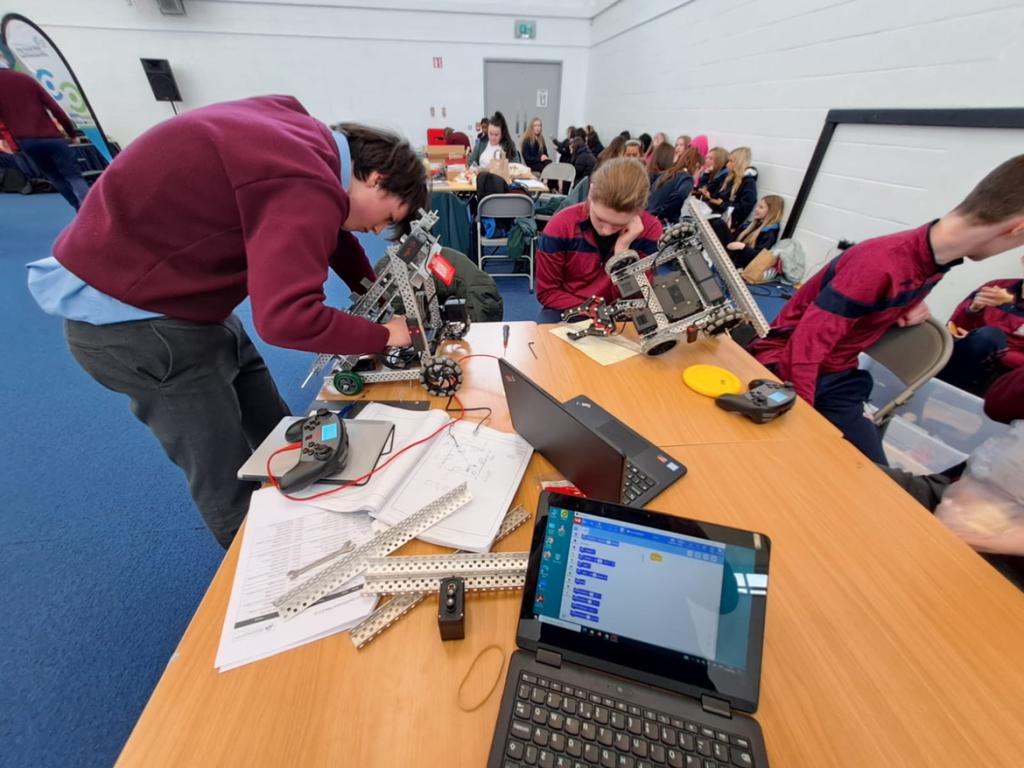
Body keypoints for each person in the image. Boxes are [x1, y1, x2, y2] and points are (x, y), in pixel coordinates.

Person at [25, 95, 428, 548]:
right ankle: (272, 590)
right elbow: (287, 320)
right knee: (228, 481)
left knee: (285, 439)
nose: (374, 232)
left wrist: (369, 291)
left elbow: (332, 230)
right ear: (377, 178)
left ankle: (305, 530)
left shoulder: (300, 131)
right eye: (386, 219)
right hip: (137, 327)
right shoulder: (305, 181)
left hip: (186, 304)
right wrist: (382, 335)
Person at [748, 155, 1024, 464]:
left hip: (836, 376)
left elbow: (883, 288)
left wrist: (908, 304)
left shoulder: (934, 259)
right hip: (789, 367)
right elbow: (802, 353)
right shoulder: (881, 263)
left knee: (873, 478)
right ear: (1016, 229)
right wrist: (801, 425)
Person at [535, 157, 663, 321]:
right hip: (570, 307)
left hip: (623, 314)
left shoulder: (650, 230)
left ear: (638, 212)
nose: (606, 231)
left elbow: (636, 298)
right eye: (600, 219)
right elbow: (548, 293)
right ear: (591, 192)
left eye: (618, 225)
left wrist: (622, 254)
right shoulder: (560, 226)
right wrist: (597, 311)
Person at [0, 67, 90, 210]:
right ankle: (91, 210)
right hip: (52, 137)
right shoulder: (25, 79)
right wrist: (71, 133)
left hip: (26, 141)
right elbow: (56, 109)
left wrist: (3, 138)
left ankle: (78, 209)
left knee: (55, 178)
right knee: (74, 176)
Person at [937, 265, 1024, 396]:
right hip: (968, 356)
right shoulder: (996, 287)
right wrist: (974, 309)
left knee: (988, 337)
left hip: (1008, 374)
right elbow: (953, 326)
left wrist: (996, 351)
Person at [702, 147, 758, 234]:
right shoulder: (729, 177)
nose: (727, 164)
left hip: (724, 224)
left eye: (731, 161)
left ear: (739, 163)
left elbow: (744, 209)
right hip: (714, 216)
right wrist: (709, 195)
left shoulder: (749, 183)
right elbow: (715, 193)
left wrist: (722, 204)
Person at [726, 195, 785, 268]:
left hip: (740, 265)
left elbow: (759, 256)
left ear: (771, 211)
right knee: (719, 224)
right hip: (732, 256)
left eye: (761, 207)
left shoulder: (770, 232)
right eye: (757, 206)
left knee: (719, 224)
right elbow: (735, 239)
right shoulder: (754, 224)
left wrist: (743, 247)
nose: (756, 209)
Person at [647, 146, 702, 223]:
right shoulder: (687, 179)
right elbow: (680, 195)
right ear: (697, 166)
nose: (698, 175)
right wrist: (663, 214)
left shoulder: (669, 172)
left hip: (647, 214)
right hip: (657, 219)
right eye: (700, 171)